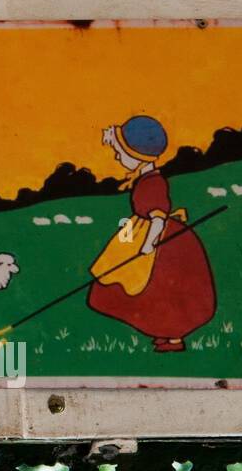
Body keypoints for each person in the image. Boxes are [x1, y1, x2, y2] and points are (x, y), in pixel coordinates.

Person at [87, 115, 215, 352]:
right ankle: (164, 332)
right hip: (142, 231)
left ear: (137, 155)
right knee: (132, 282)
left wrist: (148, 246)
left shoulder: (152, 184)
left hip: (159, 240)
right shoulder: (145, 178)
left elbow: (157, 218)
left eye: (120, 153)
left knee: (159, 287)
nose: (117, 158)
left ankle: (173, 337)